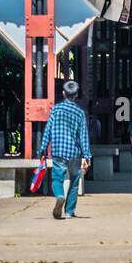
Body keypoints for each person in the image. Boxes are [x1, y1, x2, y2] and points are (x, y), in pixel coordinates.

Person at [40, 80, 92, 220]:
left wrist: (42, 149)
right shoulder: (80, 113)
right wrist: (87, 156)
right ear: (76, 95)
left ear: (63, 93)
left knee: (57, 178)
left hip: (58, 151)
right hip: (74, 153)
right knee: (75, 181)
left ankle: (60, 196)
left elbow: (48, 130)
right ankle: (69, 211)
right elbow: (83, 136)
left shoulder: (55, 110)